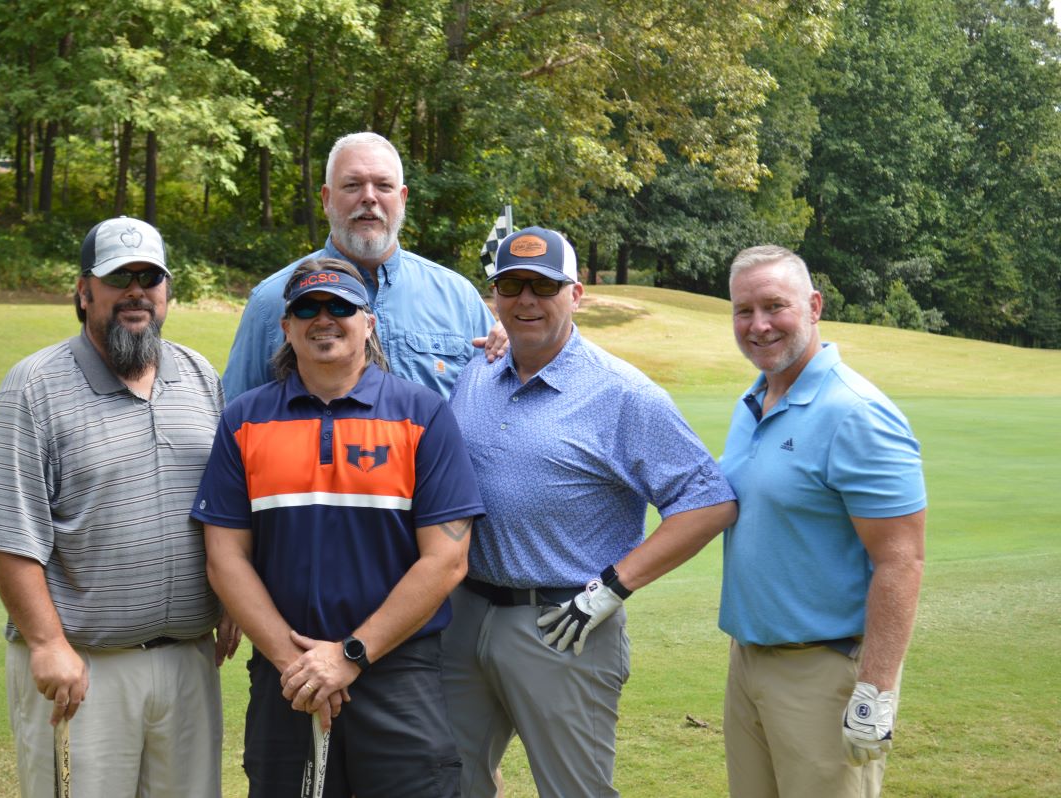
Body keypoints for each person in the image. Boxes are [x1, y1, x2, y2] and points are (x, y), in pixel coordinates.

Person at [443, 226, 739, 798]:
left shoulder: (623, 393)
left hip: (563, 625)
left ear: (575, 294)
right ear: (494, 296)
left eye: (544, 286)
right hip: (463, 614)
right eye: (512, 284)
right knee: (447, 782)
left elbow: (708, 502)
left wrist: (611, 589)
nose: (526, 299)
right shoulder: (478, 371)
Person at [192, 259, 485, 797]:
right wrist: (298, 664)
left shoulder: (423, 416)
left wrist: (349, 655)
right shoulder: (244, 421)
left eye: (340, 306)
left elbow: (447, 560)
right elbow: (224, 558)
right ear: (285, 327)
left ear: (368, 323)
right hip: (288, 677)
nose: (323, 318)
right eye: (306, 307)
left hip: (400, 675)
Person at [0, 216, 240, 797]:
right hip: (82, 667)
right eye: (119, 277)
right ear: (84, 290)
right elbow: (7, 529)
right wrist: (45, 644)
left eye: (150, 277)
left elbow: (224, 508)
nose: (136, 292)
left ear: (168, 291)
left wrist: (232, 599)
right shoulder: (33, 386)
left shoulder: (199, 377)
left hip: (189, 662)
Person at [718, 245, 927, 797]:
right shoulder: (755, 400)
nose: (758, 325)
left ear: (814, 306)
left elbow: (900, 559)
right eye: (743, 310)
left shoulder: (856, 412)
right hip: (748, 663)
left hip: (827, 673)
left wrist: (875, 691)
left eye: (774, 306)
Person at [221, 131, 503, 402]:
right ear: (326, 199)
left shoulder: (458, 298)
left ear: (402, 199)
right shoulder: (273, 300)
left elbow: (502, 394)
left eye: (383, 185)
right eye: (352, 185)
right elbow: (235, 421)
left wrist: (515, 342)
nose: (369, 197)